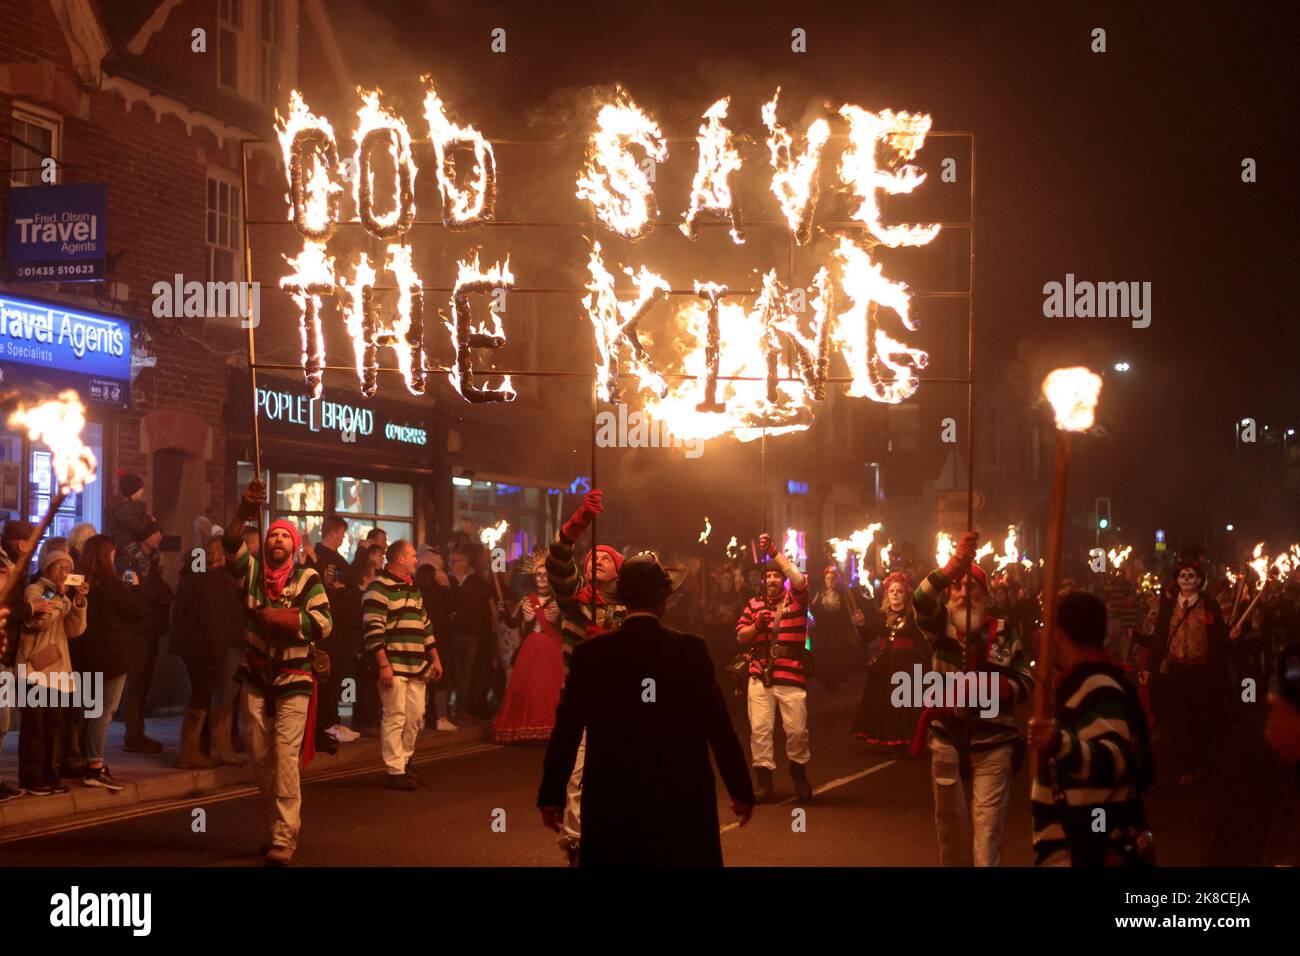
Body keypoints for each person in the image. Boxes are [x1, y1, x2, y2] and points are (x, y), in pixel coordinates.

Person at [538, 552, 754, 866]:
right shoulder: (690, 651)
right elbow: (718, 726)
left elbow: (568, 728)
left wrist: (551, 795)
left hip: (613, 799)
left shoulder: (591, 655)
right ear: (663, 602)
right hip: (680, 798)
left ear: (623, 602)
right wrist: (740, 790)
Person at [223, 478, 332, 865]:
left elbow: (323, 623)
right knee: (259, 756)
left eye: (284, 538)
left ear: (294, 546)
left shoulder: (308, 579)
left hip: (293, 677)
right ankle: (273, 830)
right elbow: (230, 544)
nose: (277, 542)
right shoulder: (251, 574)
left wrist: (283, 619)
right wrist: (244, 510)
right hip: (255, 674)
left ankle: (285, 838)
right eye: (272, 537)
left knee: (285, 758)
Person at [913, 531, 1034, 867]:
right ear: (951, 592)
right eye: (959, 587)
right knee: (950, 827)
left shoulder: (1005, 632)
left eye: (973, 587)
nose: (966, 593)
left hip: (995, 741)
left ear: (985, 595)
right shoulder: (941, 626)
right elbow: (921, 599)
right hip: (947, 739)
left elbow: (1026, 681)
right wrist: (954, 566)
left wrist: (989, 689)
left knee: (988, 828)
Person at [1028, 591, 1154, 866]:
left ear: (1059, 634)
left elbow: (1115, 760)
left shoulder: (1099, 686)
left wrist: (1058, 743)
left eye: (1046, 628)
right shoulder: (1082, 681)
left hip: (1088, 852)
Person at [545, 488, 626, 864]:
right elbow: (558, 562)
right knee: (576, 777)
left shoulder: (630, 611)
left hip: (622, 710)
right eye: (591, 559)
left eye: (604, 561)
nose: (595, 563)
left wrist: (610, 642)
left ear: (619, 573)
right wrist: (579, 522)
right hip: (580, 705)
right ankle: (577, 843)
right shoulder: (574, 600)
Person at [735, 531, 813, 803]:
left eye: (776, 576)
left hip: (791, 674)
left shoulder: (797, 600)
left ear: (782, 580)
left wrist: (775, 553)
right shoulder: (753, 604)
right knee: (760, 730)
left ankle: (798, 772)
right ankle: (764, 782)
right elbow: (740, 636)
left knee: (797, 730)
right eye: (767, 576)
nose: (771, 580)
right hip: (760, 675)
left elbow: (799, 580)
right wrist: (755, 625)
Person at [363, 539, 443, 790]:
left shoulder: (413, 589)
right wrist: (384, 665)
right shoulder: (378, 587)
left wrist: (435, 657)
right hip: (394, 665)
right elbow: (372, 630)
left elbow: (425, 625)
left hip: (417, 667)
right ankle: (394, 769)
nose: (416, 561)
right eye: (412, 556)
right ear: (399, 559)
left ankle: (406, 759)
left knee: (415, 717)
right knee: (395, 716)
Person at [1144, 555, 1228, 786]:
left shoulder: (1209, 605)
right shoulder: (1169, 605)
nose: (1187, 579)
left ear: (1199, 580)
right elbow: (1159, 638)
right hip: (1176, 670)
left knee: (1200, 715)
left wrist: (1230, 638)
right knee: (1180, 717)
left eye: (1191, 576)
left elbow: (1219, 639)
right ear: (1177, 579)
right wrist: (1150, 667)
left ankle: (1201, 759)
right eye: (1183, 575)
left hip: (1201, 671)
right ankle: (1186, 764)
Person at [16, 550, 89, 795]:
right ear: (47, 569)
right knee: (34, 726)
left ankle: (51, 774)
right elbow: (40, 622)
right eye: (58, 567)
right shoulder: (36, 590)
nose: (64, 573)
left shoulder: (63, 596)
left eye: (68, 568)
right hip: (34, 670)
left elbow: (75, 630)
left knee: (52, 725)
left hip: (57, 672)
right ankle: (31, 777)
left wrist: (78, 603)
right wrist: (57, 596)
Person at [170, 537, 246, 768]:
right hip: (205, 647)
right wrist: (219, 652)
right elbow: (214, 617)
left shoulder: (194, 572)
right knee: (207, 694)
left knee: (203, 694)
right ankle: (196, 751)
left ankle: (200, 749)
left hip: (194, 645)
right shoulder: (210, 577)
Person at [77, 535, 139, 790]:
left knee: (89, 711)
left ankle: (86, 759)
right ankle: (95, 765)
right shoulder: (113, 585)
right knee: (104, 711)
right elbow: (134, 612)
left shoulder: (81, 583)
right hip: (112, 656)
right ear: (106, 556)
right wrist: (134, 588)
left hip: (85, 654)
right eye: (112, 554)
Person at [853, 571, 929, 751]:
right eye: (892, 590)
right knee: (886, 705)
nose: (895, 593)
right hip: (885, 668)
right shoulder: (881, 616)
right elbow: (867, 636)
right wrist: (862, 623)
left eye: (899, 591)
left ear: (906, 594)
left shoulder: (913, 617)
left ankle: (909, 739)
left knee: (904, 705)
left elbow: (923, 641)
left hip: (907, 666)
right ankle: (889, 739)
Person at [493, 554, 565, 743]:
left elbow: (565, 628)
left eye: (545, 574)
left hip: (550, 651)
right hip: (530, 650)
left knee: (548, 689)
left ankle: (550, 727)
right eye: (538, 574)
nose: (542, 577)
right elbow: (513, 623)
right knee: (530, 690)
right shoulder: (526, 600)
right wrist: (504, 612)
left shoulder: (559, 602)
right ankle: (528, 728)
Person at [118, 518, 172, 753]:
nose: (160, 536)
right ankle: (133, 732)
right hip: (137, 629)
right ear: (146, 536)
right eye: (156, 532)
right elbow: (132, 591)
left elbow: (160, 591)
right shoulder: (128, 560)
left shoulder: (155, 560)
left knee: (145, 681)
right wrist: (155, 593)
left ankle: (139, 730)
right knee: (136, 682)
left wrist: (155, 593)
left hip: (152, 627)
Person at [312, 516, 363, 748]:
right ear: (334, 532)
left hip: (341, 631)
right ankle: (328, 728)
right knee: (330, 682)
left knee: (338, 680)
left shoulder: (331, 558)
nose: (344, 538)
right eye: (342, 533)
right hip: (333, 633)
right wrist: (344, 591)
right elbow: (335, 589)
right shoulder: (326, 560)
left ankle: (332, 724)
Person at [446, 548, 493, 718]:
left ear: (465, 563)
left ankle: (462, 707)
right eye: (450, 561)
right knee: (454, 672)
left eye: (454, 561)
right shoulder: (448, 581)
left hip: (471, 633)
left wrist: (459, 611)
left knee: (467, 672)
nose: (451, 565)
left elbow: (477, 605)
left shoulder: (476, 582)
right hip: (453, 633)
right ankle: (454, 706)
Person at [415, 545, 457, 731]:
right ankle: (440, 716)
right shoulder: (441, 594)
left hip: (418, 641)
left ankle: (419, 717)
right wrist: (447, 586)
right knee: (440, 679)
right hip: (440, 640)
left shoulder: (414, 594)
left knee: (420, 679)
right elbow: (455, 606)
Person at [810, 565, 863, 692]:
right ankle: (826, 681)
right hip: (823, 632)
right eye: (828, 579)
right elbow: (813, 610)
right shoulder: (819, 595)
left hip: (838, 631)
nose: (830, 582)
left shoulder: (842, 595)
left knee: (837, 655)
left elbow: (847, 613)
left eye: (832, 579)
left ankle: (836, 681)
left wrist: (851, 625)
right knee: (824, 656)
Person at [106, 472, 150, 553]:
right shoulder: (124, 509)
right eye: (140, 488)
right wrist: (149, 519)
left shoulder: (130, 509)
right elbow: (140, 527)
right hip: (126, 551)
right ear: (133, 490)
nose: (142, 491)